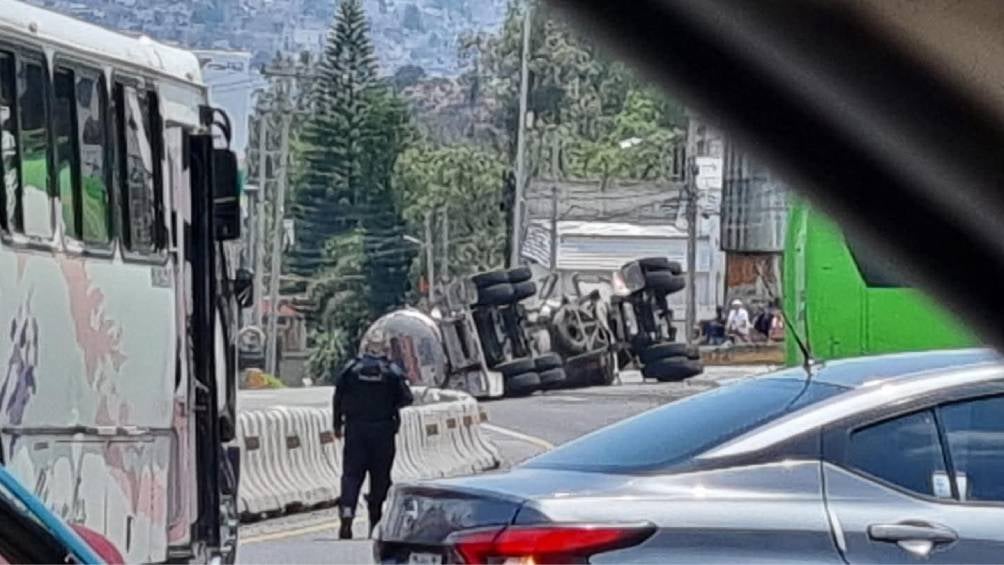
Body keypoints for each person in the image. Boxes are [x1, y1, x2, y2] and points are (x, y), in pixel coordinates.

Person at [332, 332, 414, 540]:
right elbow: (407, 398)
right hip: (383, 430)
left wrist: (336, 425)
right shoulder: (392, 372)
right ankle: (375, 522)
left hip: (355, 429)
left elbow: (338, 397)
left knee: (351, 474)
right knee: (380, 477)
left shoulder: (350, 370)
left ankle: (347, 511)